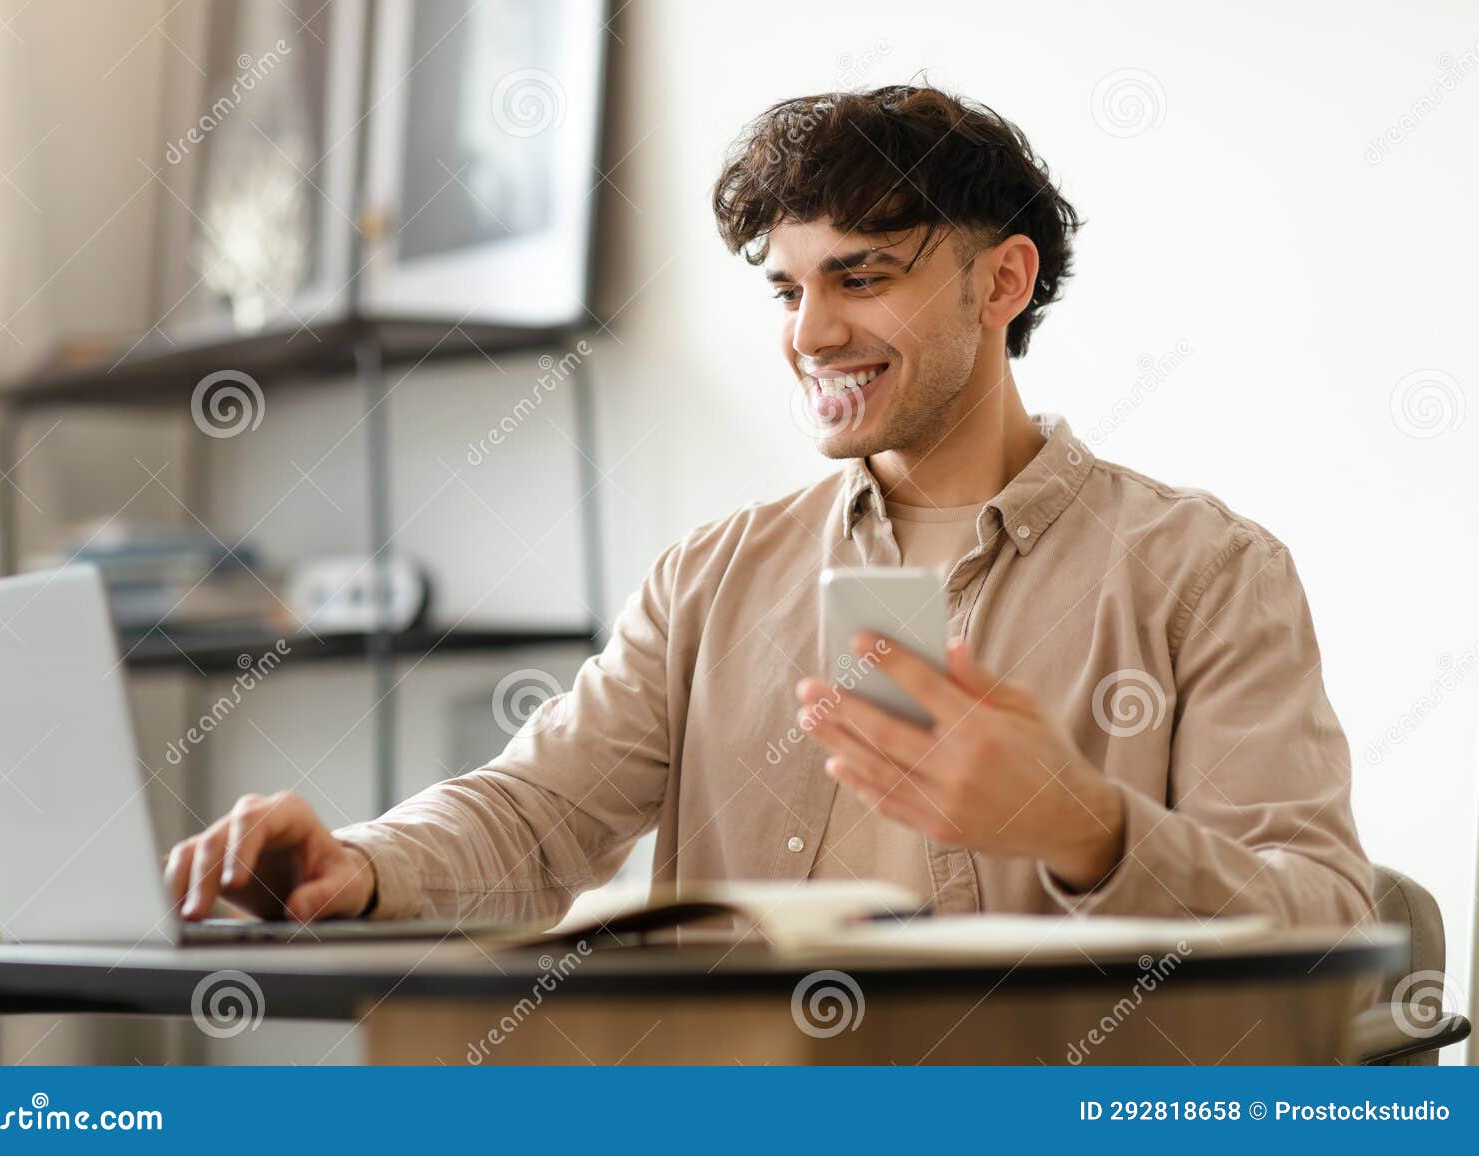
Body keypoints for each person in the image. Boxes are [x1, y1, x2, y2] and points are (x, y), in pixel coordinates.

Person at [165, 85, 1373, 933]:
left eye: (862, 276)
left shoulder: (1206, 574)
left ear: (1000, 281)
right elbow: (536, 816)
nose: (808, 333)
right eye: (787, 288)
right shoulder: (712, 576)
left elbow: (1326, 915)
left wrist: (1087, 828)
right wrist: (360, 865)